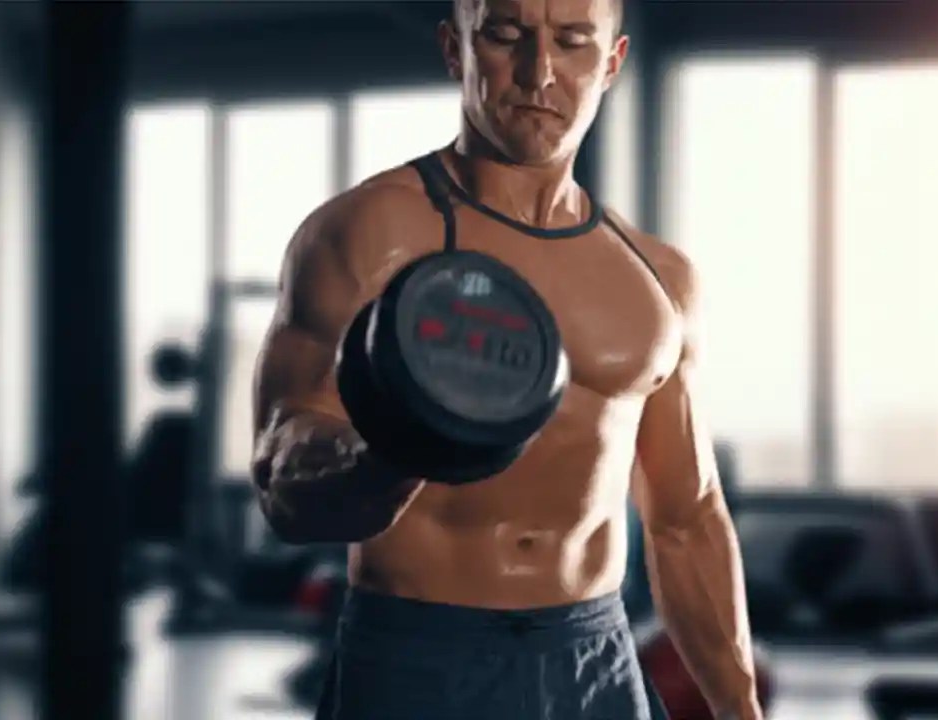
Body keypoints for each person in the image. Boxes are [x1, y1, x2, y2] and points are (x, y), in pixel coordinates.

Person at [250, 0, 763, 718]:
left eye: (574, 42)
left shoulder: (658, 278)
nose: (539, 73)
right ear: (455, 49)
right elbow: (281, 481)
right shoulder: (370, 232)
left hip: (594, 654)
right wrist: (393, 450)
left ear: (610, 63)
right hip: (423, 653)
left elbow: (688, 519)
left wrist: (740, 707)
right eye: (505, 35)